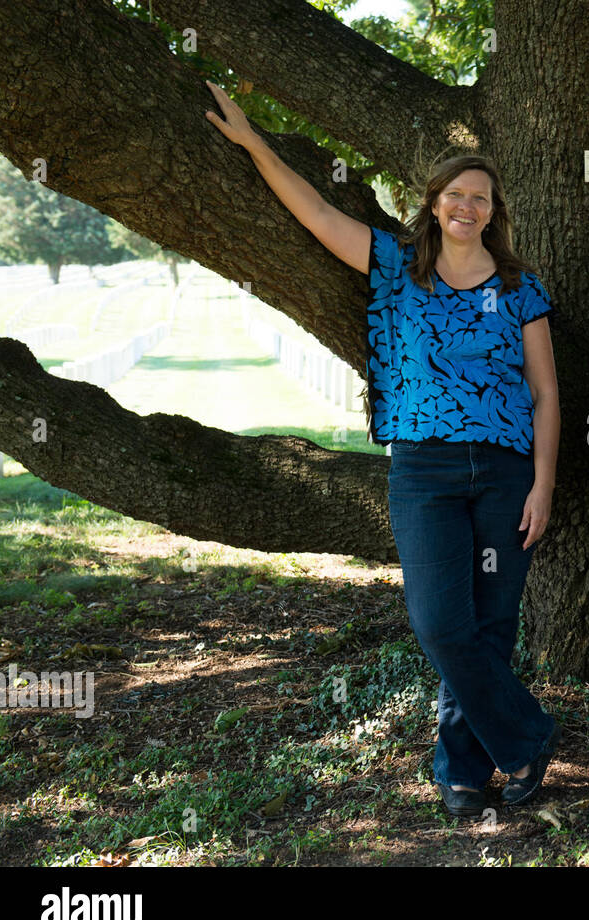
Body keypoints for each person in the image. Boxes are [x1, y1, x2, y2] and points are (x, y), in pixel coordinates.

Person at [204, 81, 561, 817]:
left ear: (495, 213)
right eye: (456, 194)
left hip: (504, 472)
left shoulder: (521, 287)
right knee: (440, 622)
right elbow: (316, 210)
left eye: (482, 199)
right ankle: (525, 737)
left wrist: (544, 484)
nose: (468, 207)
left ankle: (462, 772)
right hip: (424, 470)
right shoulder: (396, 265)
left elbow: (547, 393)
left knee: (491, 625)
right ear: (433, 202)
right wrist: (252, 141)